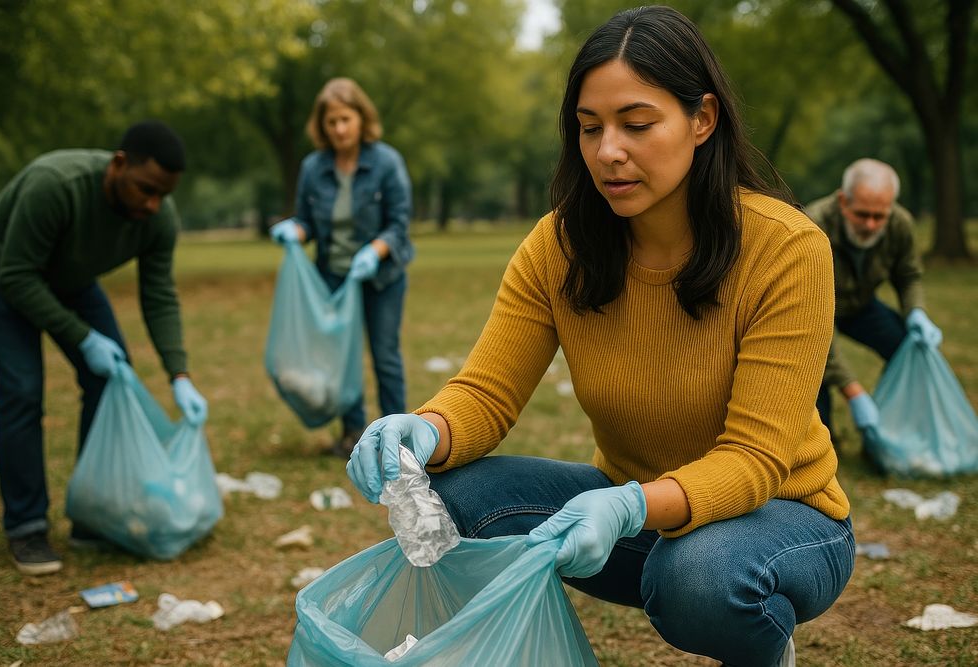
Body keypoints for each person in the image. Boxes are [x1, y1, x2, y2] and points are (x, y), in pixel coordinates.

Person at [345, 7, 854, 666]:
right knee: (451, 500)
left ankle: (760, 643)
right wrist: (423, 430)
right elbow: (487, 394)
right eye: (590, 128)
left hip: (781, 517)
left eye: (637, 125)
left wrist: (626, 506)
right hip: (633, 513)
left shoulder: (787, 248)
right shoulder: (557, 247)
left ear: (702, 119)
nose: (608, 151)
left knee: (698, 576)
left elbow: (756, 460)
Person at [0, 121, 207, 576]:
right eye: (145, 189)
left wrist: (179, 375)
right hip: (1, 276)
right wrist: (82, 337)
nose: (152, 204)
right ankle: (26, 525)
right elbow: (16, 276)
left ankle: (92, 516)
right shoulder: (56, 185)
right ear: (119, 163)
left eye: (163, 194)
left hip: (71, 280)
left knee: (108, 378)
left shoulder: (157, 217)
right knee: (22, 390)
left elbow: (158, 293)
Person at [269, 77, 414, 458]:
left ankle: (397, 440)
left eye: (345, 119)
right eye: (331, 122)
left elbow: (399, 225)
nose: (339, 129)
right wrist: (294, 231)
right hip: (333, 278)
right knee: (342, 359)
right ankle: (353, 434)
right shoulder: (313, 168)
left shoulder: (386, 162)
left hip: (381, 277)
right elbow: (307, 222)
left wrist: (374, 251)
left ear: (362, 118)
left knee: (385, 355)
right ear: (322, 125)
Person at [804, 158, 940, 444]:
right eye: (862, 214)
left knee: (906, 347)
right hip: (813, 310)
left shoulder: (900, 224)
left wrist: (916, 312)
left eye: (880, 217)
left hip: (861, 305)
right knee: (812, 369)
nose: (870, 224)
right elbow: (814, 322)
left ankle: (893, 428)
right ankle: (822, 439)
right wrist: (854, 392)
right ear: (843, 201)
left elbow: (908, 275)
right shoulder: (811, 227)